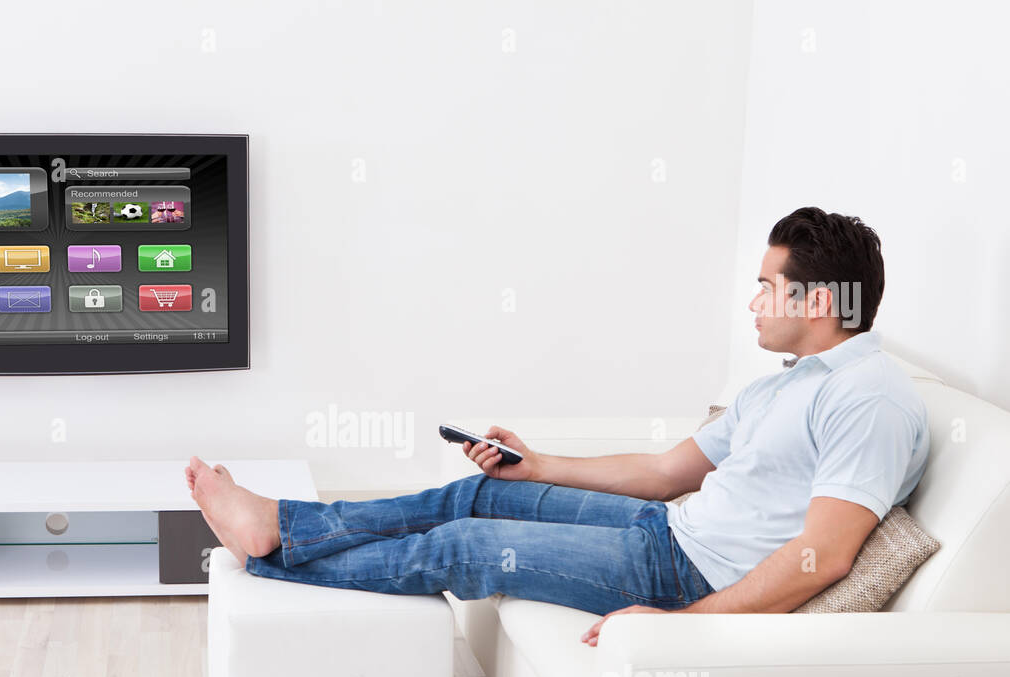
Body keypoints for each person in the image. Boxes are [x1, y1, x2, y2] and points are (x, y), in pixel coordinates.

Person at [185, 207, 930, 646]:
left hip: (686, 575)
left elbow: (824, 556)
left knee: (464, 547)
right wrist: (536, 465)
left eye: (768, 288)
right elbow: (669, 472)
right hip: (664, 528)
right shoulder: (788, 386)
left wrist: (685, 627)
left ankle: (273, 560)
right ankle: (281, 524)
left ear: (819, 302)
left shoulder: (870, 399)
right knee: (466, 497)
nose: (754, 305)